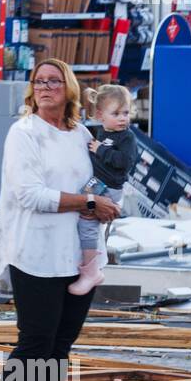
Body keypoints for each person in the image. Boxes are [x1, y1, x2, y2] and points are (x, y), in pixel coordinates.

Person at [0, 59, 121, 381]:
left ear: (69, 88)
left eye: (54, 81)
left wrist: (101, 204)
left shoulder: (79, 133)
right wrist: (89, 202)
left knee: (58, 347)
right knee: (33, 344)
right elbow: (30, 194)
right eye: (39, 81)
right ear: (32, 90)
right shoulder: (24, 133)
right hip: (36, 253)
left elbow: (95, 183)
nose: (45, 87)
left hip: (77, 255)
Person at [69, 84, 138, 295]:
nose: (122, 118)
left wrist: (101, 150)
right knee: (77, 207)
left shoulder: (127, 137)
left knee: (88, 220)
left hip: (109, 187)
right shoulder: (101, 132)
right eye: (116, 113)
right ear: (100, 115)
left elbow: (125, 162)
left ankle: (91, 270)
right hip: (97, 183)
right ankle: (85, 259)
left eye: (125, 113)